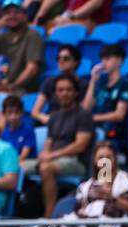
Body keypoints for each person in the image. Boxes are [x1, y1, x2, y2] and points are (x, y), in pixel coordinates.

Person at [21, 72, 93, 218]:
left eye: (68, 89)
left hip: (76, 162)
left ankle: (49, 217)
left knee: (46, 168)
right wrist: (45, 155)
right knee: (16, 166)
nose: (64, 93)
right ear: (55, 93)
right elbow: (49, 142)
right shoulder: (54, 116)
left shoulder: (83, 115)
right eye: (60, 90)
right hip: (53, 160)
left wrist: (50, 156)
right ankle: (20, 213)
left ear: (76, 92)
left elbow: (80, 146)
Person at [60, 141, 128, 227]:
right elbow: (79, 210)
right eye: (101, 157)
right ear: (94, 160)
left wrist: (112, 198)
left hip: (113, 226)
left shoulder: (125, 180)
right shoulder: (85, 186)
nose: (105, 161)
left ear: (115, 158)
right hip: (86, 224)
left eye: (108, 157)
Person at [0, 0, 46, 95]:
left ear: (25, 15)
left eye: (16, 12)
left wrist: (11, 87)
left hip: (22, 91)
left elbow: (32, 69)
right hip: (0, 88)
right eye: (7, 13)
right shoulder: (3, 36)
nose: (12, 16)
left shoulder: (32, 35)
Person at [81, 44, 128, 160]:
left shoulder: (124, 84)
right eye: (102, 59)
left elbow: (119, 115)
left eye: (108, 59)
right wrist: (93, 80)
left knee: (101, 151)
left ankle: (104, 176)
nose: (104, 63)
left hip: (115, 134)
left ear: (120, 61)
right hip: (95, 130)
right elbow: (86, 108)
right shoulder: (101, 82)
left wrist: (93, 118)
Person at [30, 43, 85, 127]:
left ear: (76, 62)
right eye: (58, 58)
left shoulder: (83, 84)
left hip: (72, 124)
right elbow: (35, 112)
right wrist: (45, 118)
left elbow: (83, 110)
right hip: (52, 122)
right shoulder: (49, 81)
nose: (61, 61)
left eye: (66, 59)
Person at [0, 94, 36, 162]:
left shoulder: (29, 131)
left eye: (17, 112)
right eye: (10, 113)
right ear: (4, 114)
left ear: (22, 113)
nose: (13, 117)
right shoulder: (4, 133)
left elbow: (23, 156)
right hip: (10, 165)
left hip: (25, 163)